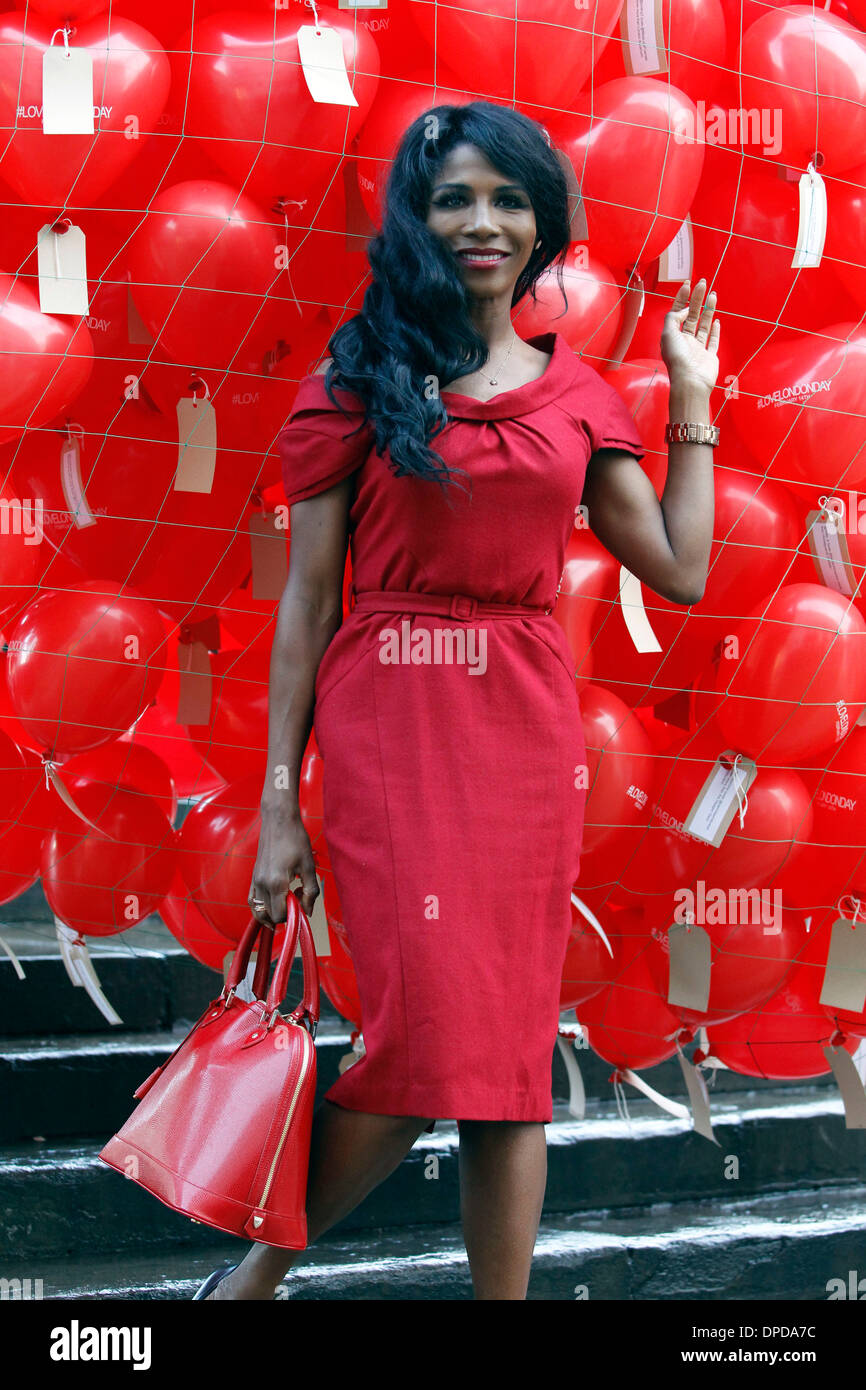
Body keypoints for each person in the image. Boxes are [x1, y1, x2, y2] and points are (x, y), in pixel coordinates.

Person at [198, 100, 720, 1301]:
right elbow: (305, 607)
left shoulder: (579, 394)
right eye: (453, 199)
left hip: (526, 739)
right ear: (416, 222)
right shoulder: (356, 376)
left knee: (503, 1055)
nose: (481, 221)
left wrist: (685, 395)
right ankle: (248, 1285)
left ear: (541, 225)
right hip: (391, 716)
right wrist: (279, 803)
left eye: (506, 198)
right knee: (426, 1038)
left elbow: (681, 571)